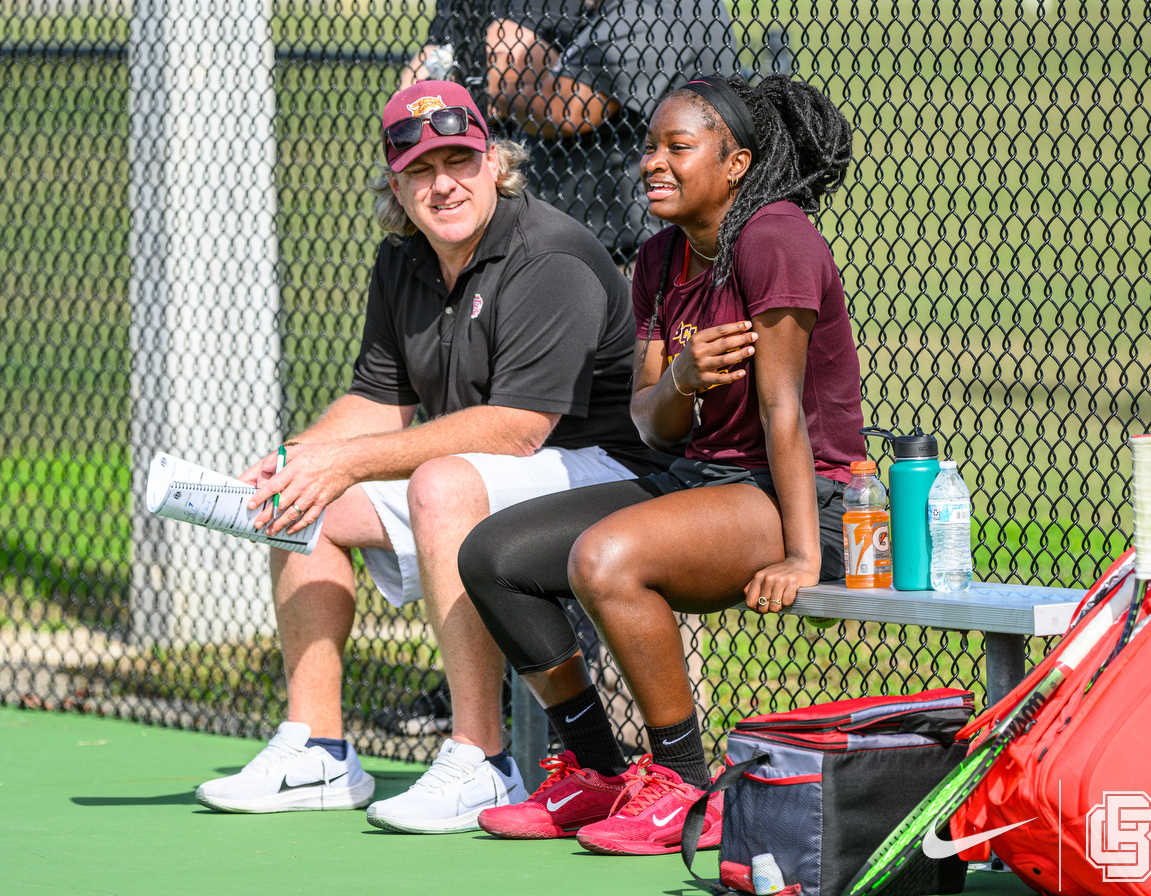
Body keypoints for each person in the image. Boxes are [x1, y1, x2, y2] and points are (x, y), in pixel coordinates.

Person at [193, 80, 671, 832]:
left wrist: (348, 461)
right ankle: (316, 748)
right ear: (396, 184)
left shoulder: (552, 255)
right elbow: (379, 401)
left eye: (459, 161)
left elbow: (519, 428)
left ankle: (483, 760)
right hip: (511, 465)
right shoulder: (403, 262)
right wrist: (299, 457)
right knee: (309, 499)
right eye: (421, 169)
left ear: (494, 163)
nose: (443, 183)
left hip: (610, 472)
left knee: (441, 485)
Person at [457, 73, 866, 855]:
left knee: (605, 557)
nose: (653, 163)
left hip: (809, 498)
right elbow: (652, 422)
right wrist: (682, 377)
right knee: (495, 555)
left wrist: (803, 554)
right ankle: (596, 771)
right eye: (649, 146)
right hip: (704, 480)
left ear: (736, 162)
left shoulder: (775, 237)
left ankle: (684, 786)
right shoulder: (658, 258)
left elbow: (786, 412)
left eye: (677, 147)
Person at [401, 0, 737, 261]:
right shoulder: (610, 13)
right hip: (607, 236)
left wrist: (486, 89)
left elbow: (569, 108)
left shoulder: (651, 10)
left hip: (636, 243)